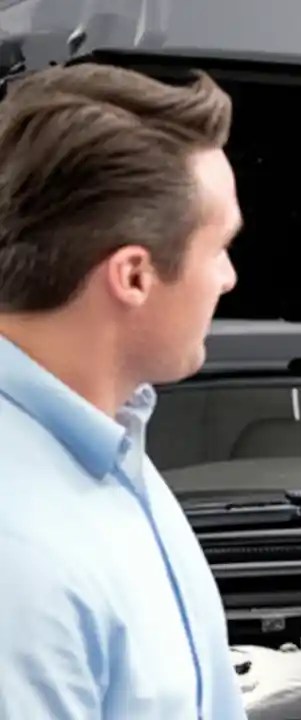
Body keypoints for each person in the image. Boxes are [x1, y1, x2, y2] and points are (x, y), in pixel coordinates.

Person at [0, 64, 246, 719]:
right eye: (219, 248)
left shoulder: (112, 445)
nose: (228, 278)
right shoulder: (19, 561)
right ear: (133, 275)